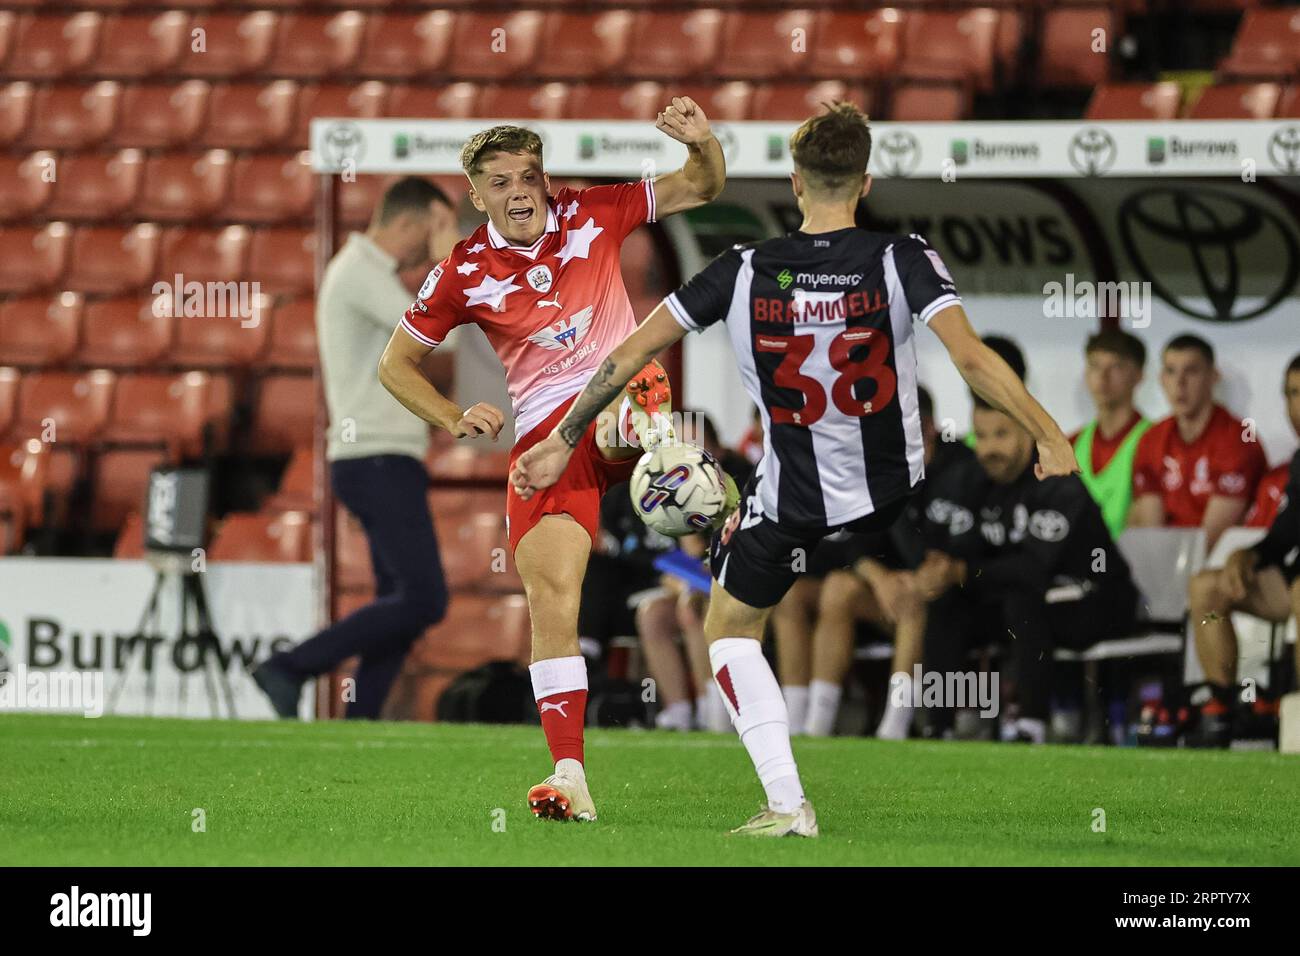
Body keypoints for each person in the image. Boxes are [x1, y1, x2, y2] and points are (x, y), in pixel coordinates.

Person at [511, 102, 1078, 836]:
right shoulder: (902, 257)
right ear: (866, 182)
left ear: (795, 182)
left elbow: (628, 354)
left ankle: (787, 803)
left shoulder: (742, 270)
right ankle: (728, 527)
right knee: (756, 557)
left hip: (797, 502)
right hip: (889, 492)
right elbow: (971, 359)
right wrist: (1049, 435)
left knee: (730, 630)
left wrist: (565, 435)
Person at [378, 101, 726, 822]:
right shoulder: (463, 271)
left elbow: (702, 187)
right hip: (543, 449)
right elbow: (396, 364)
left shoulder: (596, 211)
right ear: (476, 196)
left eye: (529, 174)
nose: (519, 190)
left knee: (630, 393)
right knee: (552, 606)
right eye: (500, 181)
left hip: (620, 393)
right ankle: (570, 776)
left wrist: (703, 144)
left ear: (545, 177)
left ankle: (650, 440)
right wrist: (450, 415)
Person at [253, 177, 460, 720]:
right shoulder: (360, 274)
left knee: (404, 601)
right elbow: (446, 335)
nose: (439, 240)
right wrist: (448, 264)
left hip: (376, 456)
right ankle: (291, 665)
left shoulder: (363, 275)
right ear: (410, 223)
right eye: (438, 228)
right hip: (376, 456)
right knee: (424, 598)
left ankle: (360, 716)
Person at [914, 399, 1139, 742]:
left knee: (1022, 599)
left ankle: (1029, 726)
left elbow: (1032, 568)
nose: (990, 448)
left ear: (1028, 434)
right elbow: (959, 548)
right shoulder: (976, 482)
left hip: (1097, 600)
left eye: (1002, 434)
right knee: (948, 603)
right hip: (1028, 603)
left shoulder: (1056, 482)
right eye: (982, 436)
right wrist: (939, 567)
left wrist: (961, 570)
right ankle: (939, 726)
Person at [792, 385, 974, 740]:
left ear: (929, 426)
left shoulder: (962, 469)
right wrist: (880, 579)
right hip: (891, 593)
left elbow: (967, 543)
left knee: (912, 596)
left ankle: (896, 724)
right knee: (839, 586)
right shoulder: (881, 468)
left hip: (953, 599)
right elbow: (854, 543)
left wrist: (928, 576)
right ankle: (816, 724)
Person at [1184, 353, 1300, 746]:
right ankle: (1222, 709)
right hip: (1293, 583)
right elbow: (1285, 535)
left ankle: (1294, 705)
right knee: (1207, 587)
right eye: (1291, 394)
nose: (1296, 405)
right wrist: (1246, 556)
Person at [1130, 334, 1267, 551]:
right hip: (1165, 561)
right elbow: (1151, 534)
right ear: (1161, 379)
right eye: (1171, 371)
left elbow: (1210, 540)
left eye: (1191, 371)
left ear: (1213, 376)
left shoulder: (1238, 438)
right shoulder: (1151, 439)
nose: (1179, 383)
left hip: (1221, 565)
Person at [1071, 329, 1152, 540]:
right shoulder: (1070, 443)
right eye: (1094, 365)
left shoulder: (1155, 441)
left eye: (1116, 366)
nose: (1103, 377)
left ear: (1139, 375)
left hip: (1131, 566)